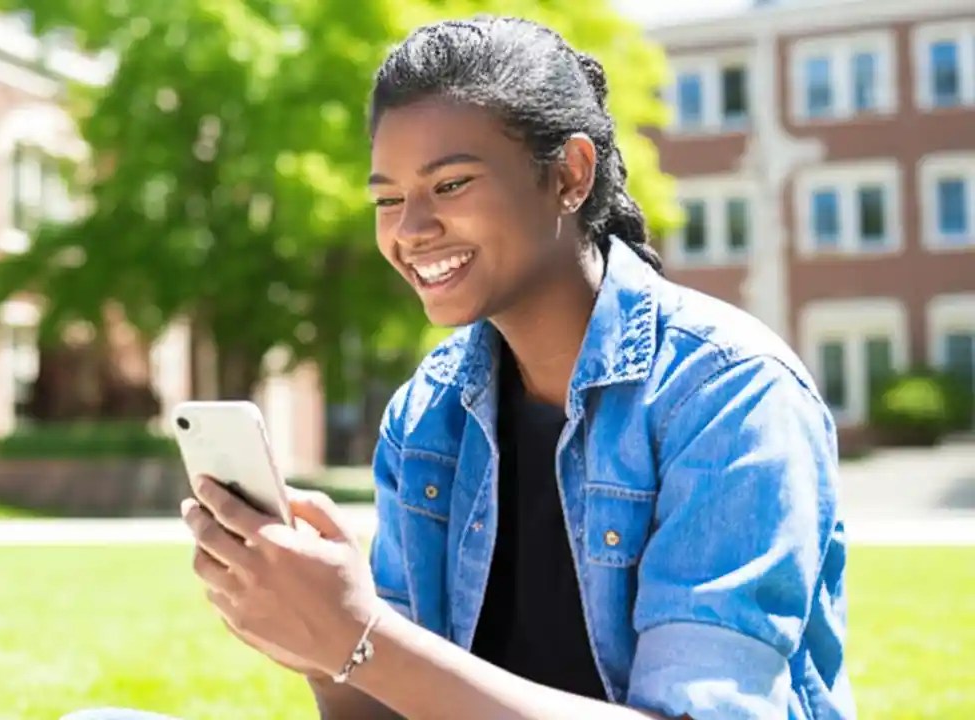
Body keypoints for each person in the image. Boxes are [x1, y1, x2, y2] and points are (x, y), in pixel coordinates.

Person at [65, 14, 854, 720]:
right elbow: (378, 710)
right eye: (386, 199)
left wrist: (361, 635)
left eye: (450, 184)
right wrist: (321, 645)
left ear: (569, 176)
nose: (411, 229)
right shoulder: (428, 414)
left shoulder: (728, 395)